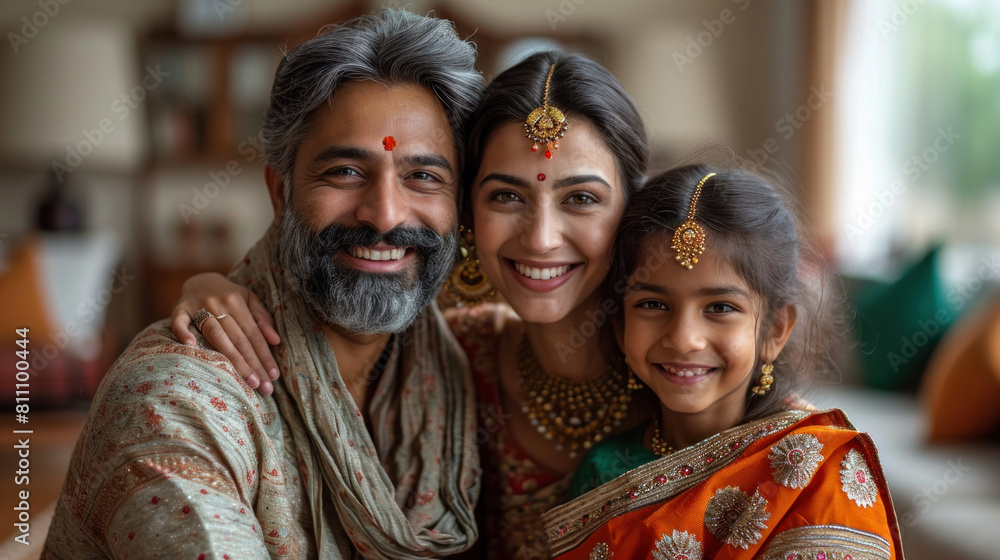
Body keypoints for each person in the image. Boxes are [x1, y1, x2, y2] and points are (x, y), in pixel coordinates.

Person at [170, 50, 653, 559]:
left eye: (581, 199)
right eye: (507, 197)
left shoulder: (685, 364)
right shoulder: (454, 355)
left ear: (635, 210)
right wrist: (206, 285)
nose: (541, 239)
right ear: (465, 212)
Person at [41, 10, 485, 559]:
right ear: (280, 191)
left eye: (423, 176)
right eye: (345, 171)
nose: (385, 215)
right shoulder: (175, 399)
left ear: (459, 207)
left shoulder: (463, 363)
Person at [541, 165, 904, 559]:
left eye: (719, 307)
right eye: (653, 304)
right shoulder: (604, 469)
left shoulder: (811, 469)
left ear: (774, 331)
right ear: (619, 326)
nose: (683, 338)